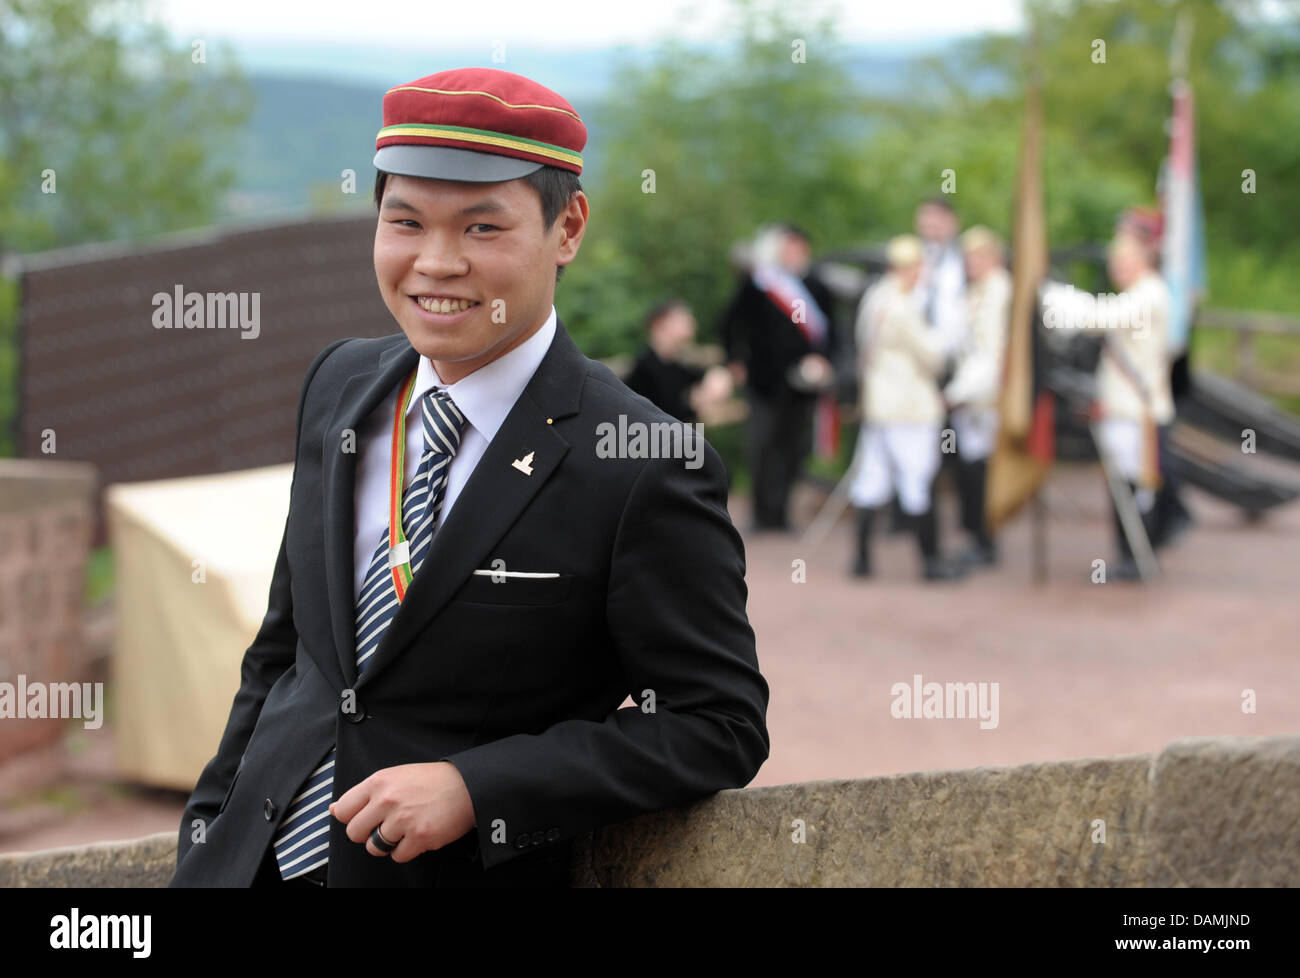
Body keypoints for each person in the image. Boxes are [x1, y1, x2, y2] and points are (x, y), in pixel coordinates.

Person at [171, 67, 769, 888]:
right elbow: (288, 652)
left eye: (483, 229)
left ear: (568, 229)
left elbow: (717, 724)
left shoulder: (645, 461)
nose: (436, 263)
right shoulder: (339, 386)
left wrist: (476, 786)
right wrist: (207, 833)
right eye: (405, 222)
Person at [847, 235, 964, 581]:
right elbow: (933, 355)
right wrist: (950, 336)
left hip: (880, 405)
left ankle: (862, 560)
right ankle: (930, 562)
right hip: (908, 408)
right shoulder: (901, 305)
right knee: (917, 483)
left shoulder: (876, 298)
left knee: (872, 480)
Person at [720, 223, 836, 531]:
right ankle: (762, 514)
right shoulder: (759, 285)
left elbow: (831, 332)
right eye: (789, 247)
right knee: (763, 446)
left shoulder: (816, 286)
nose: (794, 253)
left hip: (803, 385)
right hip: (765, 381)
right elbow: (730, 323)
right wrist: (734, 359)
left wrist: (824, 361)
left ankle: (782, 513)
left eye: (799, 248)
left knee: (794, 448)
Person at [1094, 228, 1181, 579]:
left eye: (1126, 260)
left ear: (1144, 261)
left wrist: (1054, 303)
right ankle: (1133, 554)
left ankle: (1140, 556)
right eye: (1116, 261)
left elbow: (1102, 317)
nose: (1119, 267)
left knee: (1138, 487)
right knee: (1126, 485)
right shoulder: (1139, 293)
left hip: (1137, 412)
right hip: (1127, 409)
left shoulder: (1148, 294)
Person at [943, 226, 1012, 567]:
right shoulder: (975, 291)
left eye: (977, 255)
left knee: (979, 471)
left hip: (984, 397)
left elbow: (991, 353)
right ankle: (976, 536)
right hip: (970, 394)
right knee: (969, 469)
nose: (971, 262)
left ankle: (984, 539)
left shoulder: (998, 290)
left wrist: (958, 392)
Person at [623, 298, 732, 424]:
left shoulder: (675, 367)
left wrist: (716, 376)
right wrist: (695, 403)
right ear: (659, 324)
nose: (692, 323)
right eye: (683, 319)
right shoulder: (643, 372)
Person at [914, 197, 968, 358]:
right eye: (927, 217)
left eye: (939, 218)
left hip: (957, 352)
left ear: (954, 222)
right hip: (916, 351)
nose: (932, 223)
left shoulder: (966, 260)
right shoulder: (908, 260)